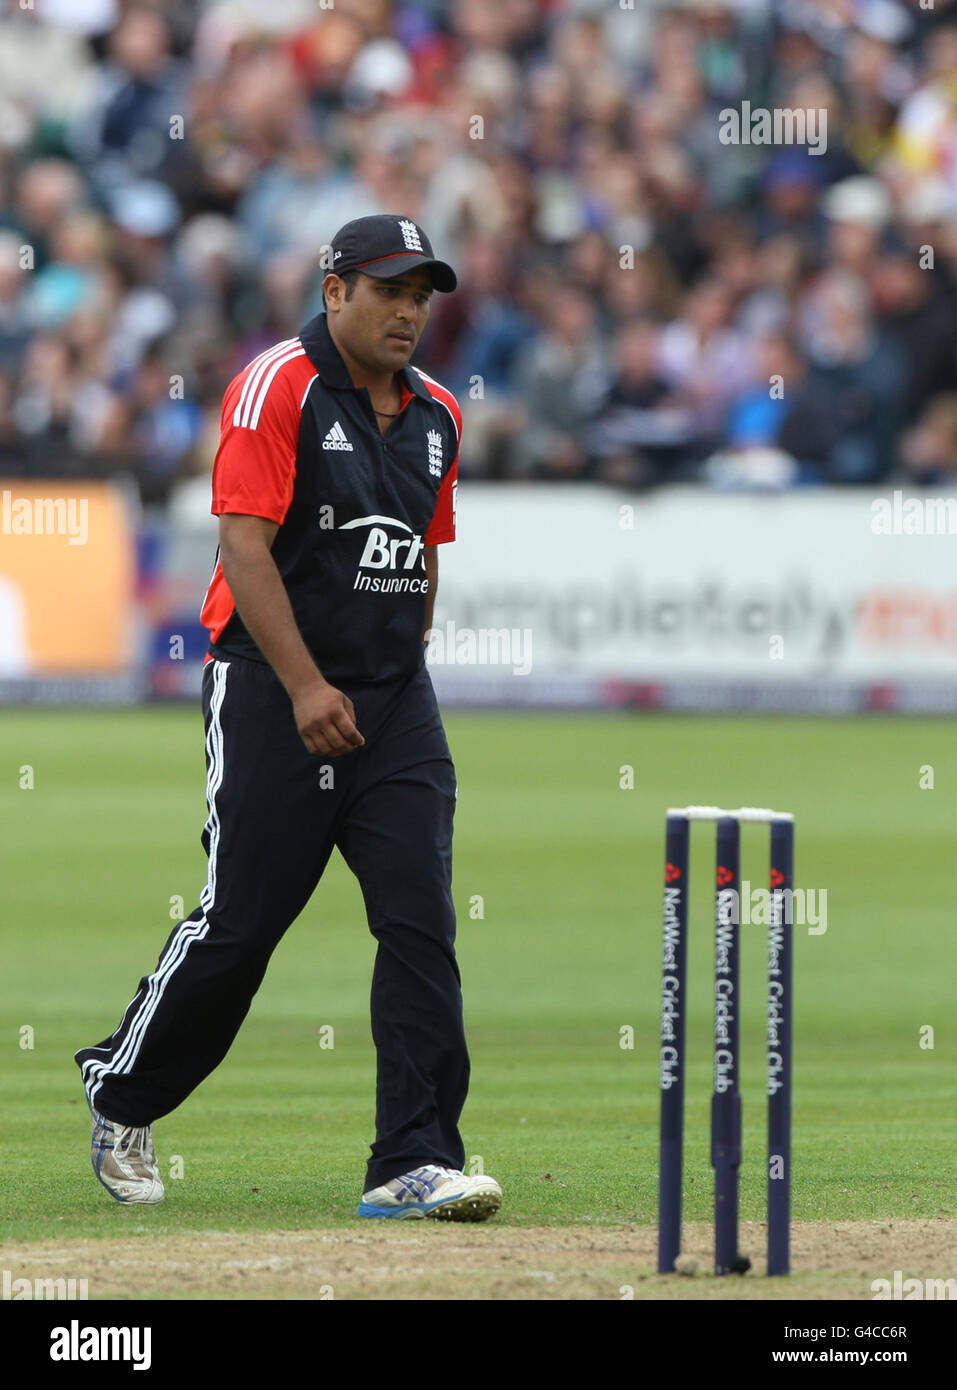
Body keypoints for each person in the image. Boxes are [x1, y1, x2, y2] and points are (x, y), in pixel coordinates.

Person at [75, 215, 502, 1222]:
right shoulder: (279, 387)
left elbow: (423, 550)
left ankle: (414, 1157)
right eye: (390, 290)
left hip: (394, 701)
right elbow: (243, 548)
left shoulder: (438, 412)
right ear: (336, 291)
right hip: (273, 689)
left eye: (423, 296)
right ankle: (122, 1091)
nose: (409, 312)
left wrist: (403, 672)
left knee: (420, 921)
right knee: (242, 926)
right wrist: (310, 686)